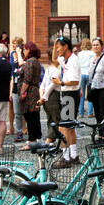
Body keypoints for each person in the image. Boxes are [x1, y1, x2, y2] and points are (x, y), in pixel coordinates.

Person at [55, 36, 82, 167]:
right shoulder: (66, 59)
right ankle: (74, 155)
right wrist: (56, 44)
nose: (57, 49)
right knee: (70, 127)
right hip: (69, 94)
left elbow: (75, 81)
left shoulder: (73, 60)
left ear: (65, 46)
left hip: (70, 94)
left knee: (64, 127)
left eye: (59, 47)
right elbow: (55, 58)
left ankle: (65, 157)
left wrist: (60, 82)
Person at [16, 42, 44, 142]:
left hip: (29, 92)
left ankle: (32, 140)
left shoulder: (30, 62)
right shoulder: (36, 61)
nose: (23, 51)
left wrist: (22, 93)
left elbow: (27, 80)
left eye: (25, 49)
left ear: (29, 50)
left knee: (30, 116)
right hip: (34, 90)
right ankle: (36, 138)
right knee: (34, 116)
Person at [40, 46, 62, 144]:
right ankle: (49, 141)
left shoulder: (48, 69)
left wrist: (42, 96)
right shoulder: (56, 71)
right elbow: (51, 86)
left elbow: (43, 85)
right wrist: (43, 97)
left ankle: (50, 141)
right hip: (52, 96)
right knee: (55, 119)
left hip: (46, 97)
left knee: (50, 119)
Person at [77, 38, 95, 117]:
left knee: (81, 94)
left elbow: (78, 65)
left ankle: (81, 113)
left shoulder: (79, 54)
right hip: (89, 73)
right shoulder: (92, 53)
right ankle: (90, 112)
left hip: (81, 74)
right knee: (90, 94)